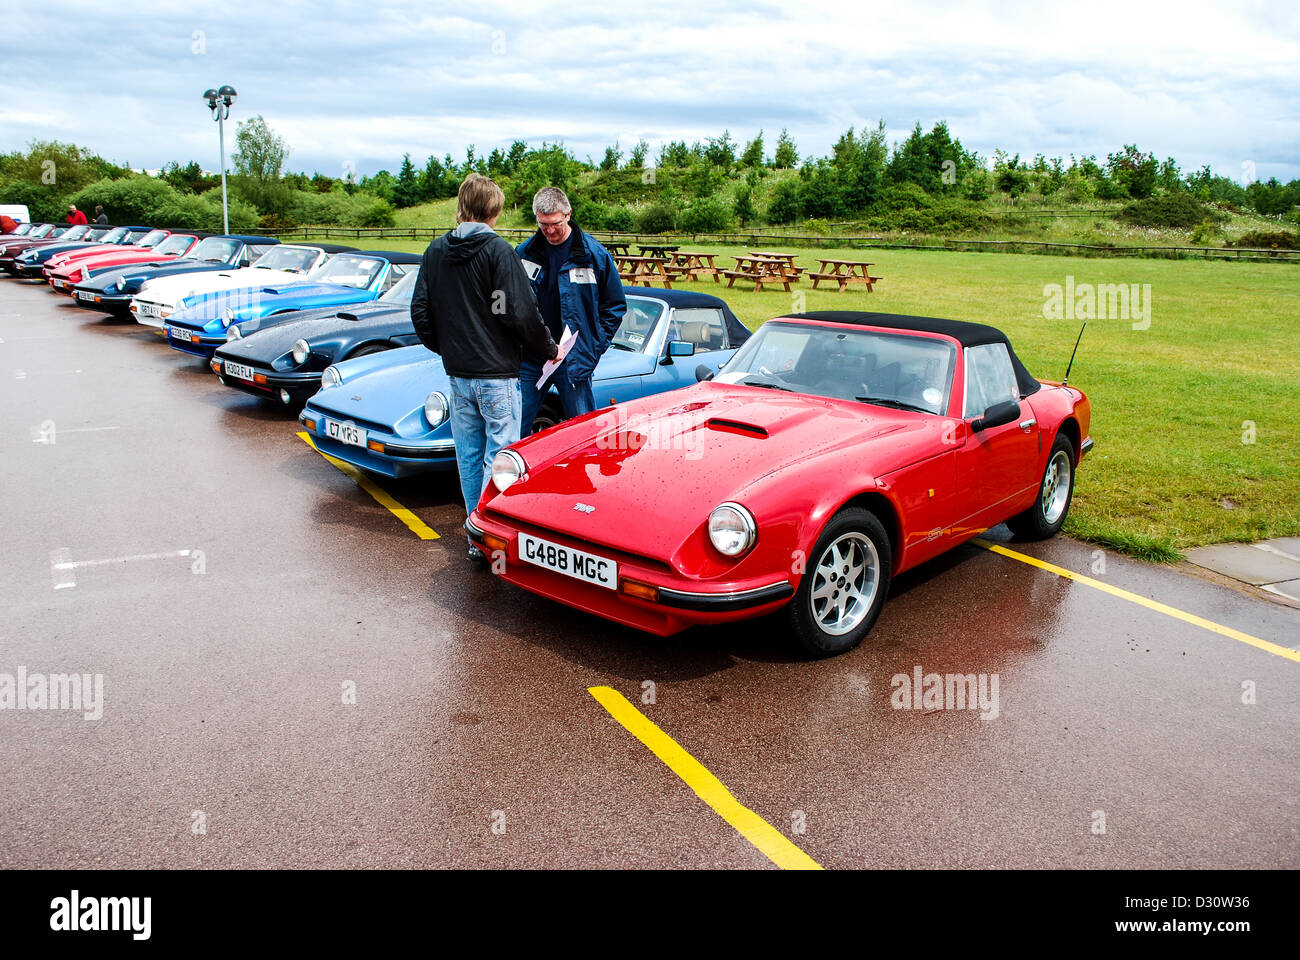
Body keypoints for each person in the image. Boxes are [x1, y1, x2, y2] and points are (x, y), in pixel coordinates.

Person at [410, 174, 560, 562]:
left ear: (462, 206)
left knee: (468, 455)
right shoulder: (498, 251)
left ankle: (474, 532)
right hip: (496, 375)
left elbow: (420, 313)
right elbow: (520, 312)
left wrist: (448, 348)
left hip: (458, 375)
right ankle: (491, 535)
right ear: (493, 210)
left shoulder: (435, 252)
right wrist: (548, 348)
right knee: (500, 456)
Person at [515, 187, 626, 433]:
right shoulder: (524, 254)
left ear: (568, 215)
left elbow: (615, 306)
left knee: (583, 430)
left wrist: (593, 348)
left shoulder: (594, 256)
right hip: (532, 357)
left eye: (555, 223)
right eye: (543, 224)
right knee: (514, 426)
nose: (550, 230)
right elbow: (510, 302)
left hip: (573, 359)